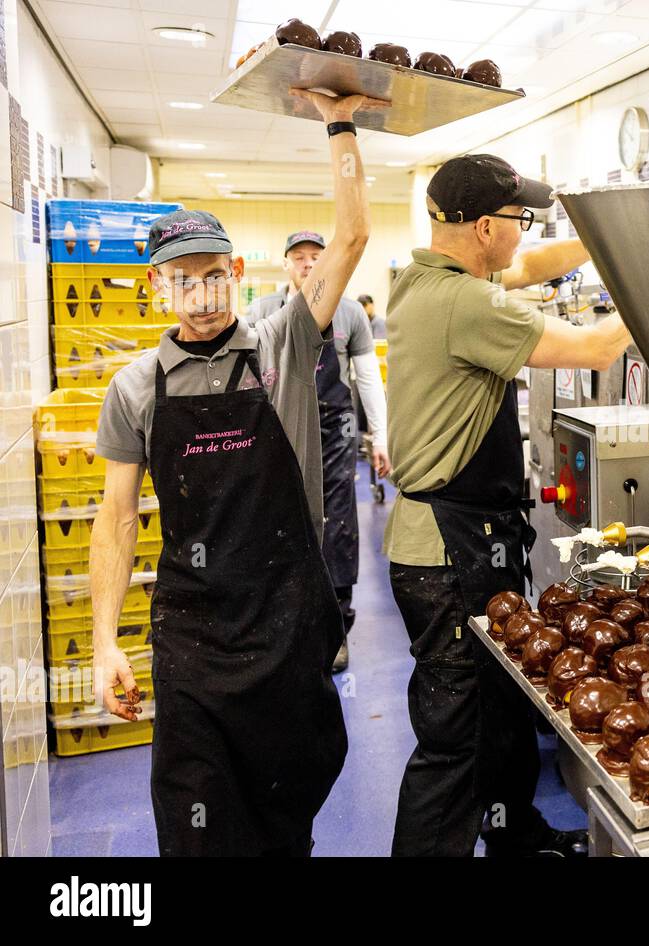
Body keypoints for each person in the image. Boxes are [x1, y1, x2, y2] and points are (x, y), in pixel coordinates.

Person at [88, 89, 388, 856]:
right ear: (157, 286)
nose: (200, 293)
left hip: (288, 621)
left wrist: (340, 123)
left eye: (213, 275)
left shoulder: (283, 342)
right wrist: (103, 640)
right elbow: (116, 518)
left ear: (237, 272)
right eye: (182, 279)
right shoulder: (134, 390)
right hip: (193, 635)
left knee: (285, 818)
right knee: (194, 820)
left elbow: (351, 235)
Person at [385, 154, 631, 857]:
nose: (525, 235)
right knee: (455, 739)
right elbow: (593, 351)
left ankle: (516, 837)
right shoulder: (468, 303)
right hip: (445, 552)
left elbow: (539, 264)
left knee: (498, 710)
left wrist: (605, 233)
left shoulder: (431, 277)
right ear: (485, 227)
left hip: (464, 539)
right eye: (518, 221)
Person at [247, 232, 390, 672]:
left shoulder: (349, 313)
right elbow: (247, 377)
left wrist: (379, 436)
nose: (308, 265)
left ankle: (336, 629)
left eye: (316, 258)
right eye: (299, 258)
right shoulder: (263, 311)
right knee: (279, 519)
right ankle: (283, 625)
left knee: (338, 521)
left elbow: (366, 376)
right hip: (280, 424)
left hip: (334, 427)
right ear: (286, 264)